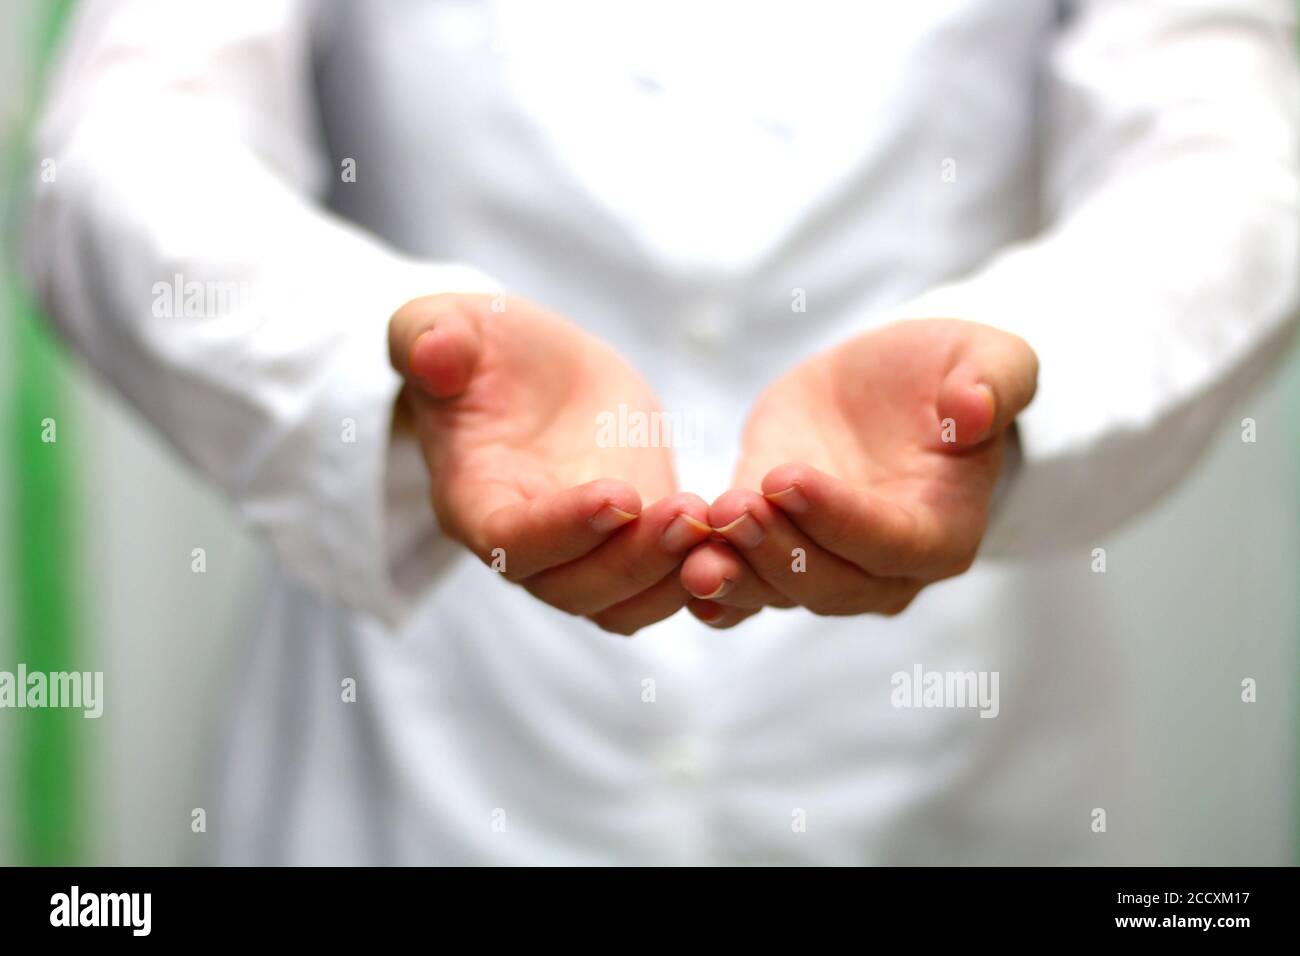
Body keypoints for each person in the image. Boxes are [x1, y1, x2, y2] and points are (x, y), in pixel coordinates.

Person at [24, 0, 1298, 864]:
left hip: (946, 753)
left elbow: (1233, 150)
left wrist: (1017, 356)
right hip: (422, 753)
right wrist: (382, 345)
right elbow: (121, 144)